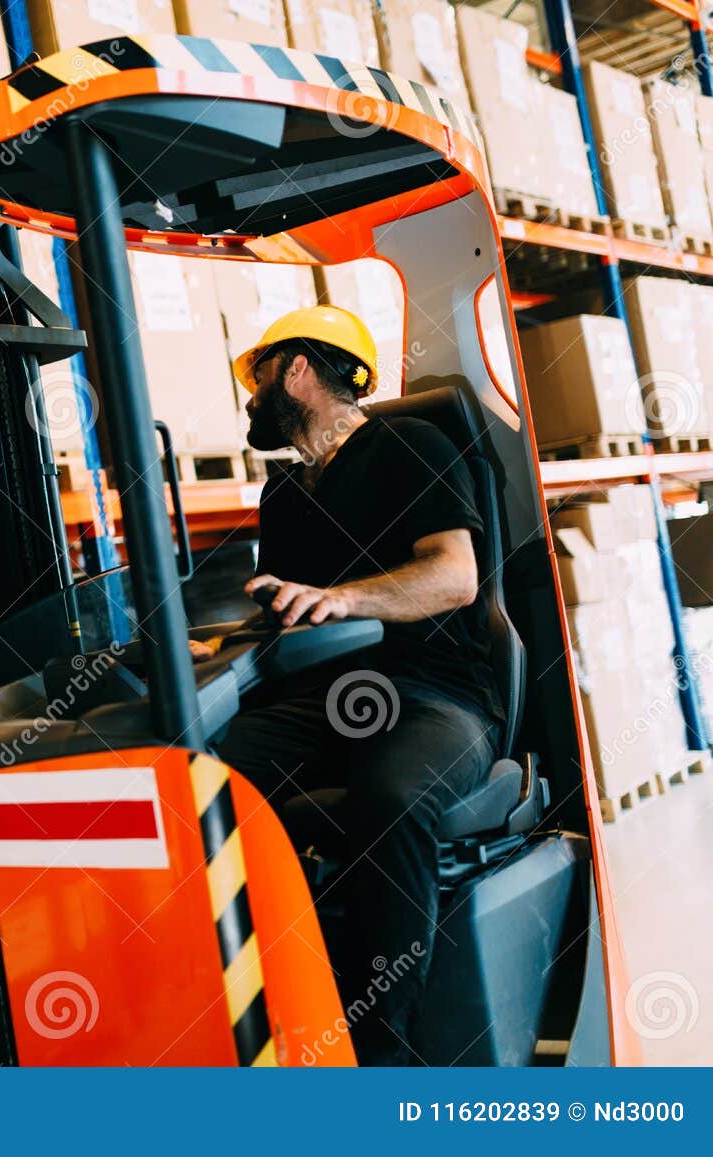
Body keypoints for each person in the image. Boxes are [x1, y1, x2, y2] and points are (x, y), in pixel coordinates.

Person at [207, 306, 502, 1066]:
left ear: (300, 369)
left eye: (260, 373)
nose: (251, 395)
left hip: (435, 694)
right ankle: (251, 1006)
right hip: (320, 698)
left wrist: (347, 597)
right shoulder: (284, 495)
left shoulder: (409, 445)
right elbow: (291, 613)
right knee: (201, 779)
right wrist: (216, 648)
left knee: (392, 796)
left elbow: (455, 575)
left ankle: (385, 1049)